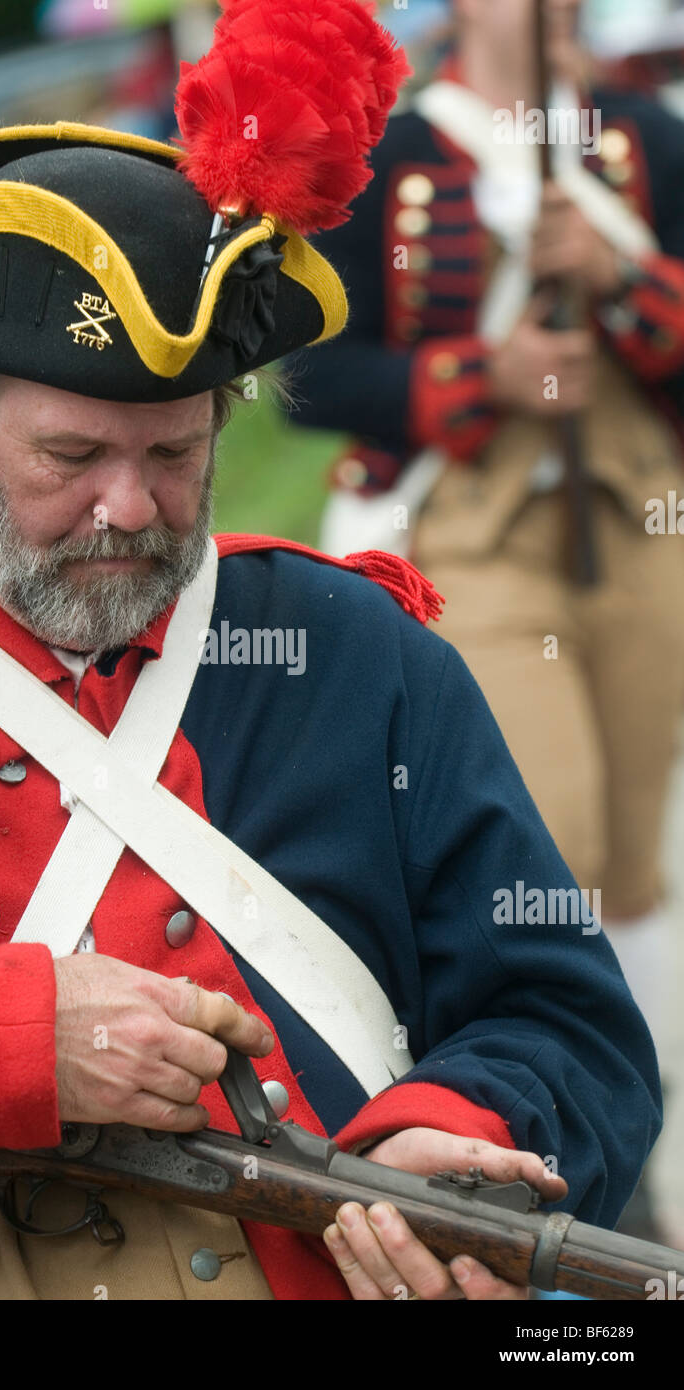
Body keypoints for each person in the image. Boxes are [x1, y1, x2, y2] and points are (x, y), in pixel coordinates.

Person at [0, 1, 663, 1302]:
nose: (129, 508)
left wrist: (463, 1145)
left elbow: (568, 1023)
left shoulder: (355, 656)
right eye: (69, 456)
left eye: (174, 454)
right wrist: (0, 1036)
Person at [289, 0, 684, 1060]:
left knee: (641, 852)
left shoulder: (639, 139)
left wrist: (620, 277)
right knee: (558, 837)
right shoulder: (400, 154)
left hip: (639, 521)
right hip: (474, 532)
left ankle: (642, 1125)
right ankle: (553, 1076)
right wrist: (477, 374)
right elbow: (315, 358)